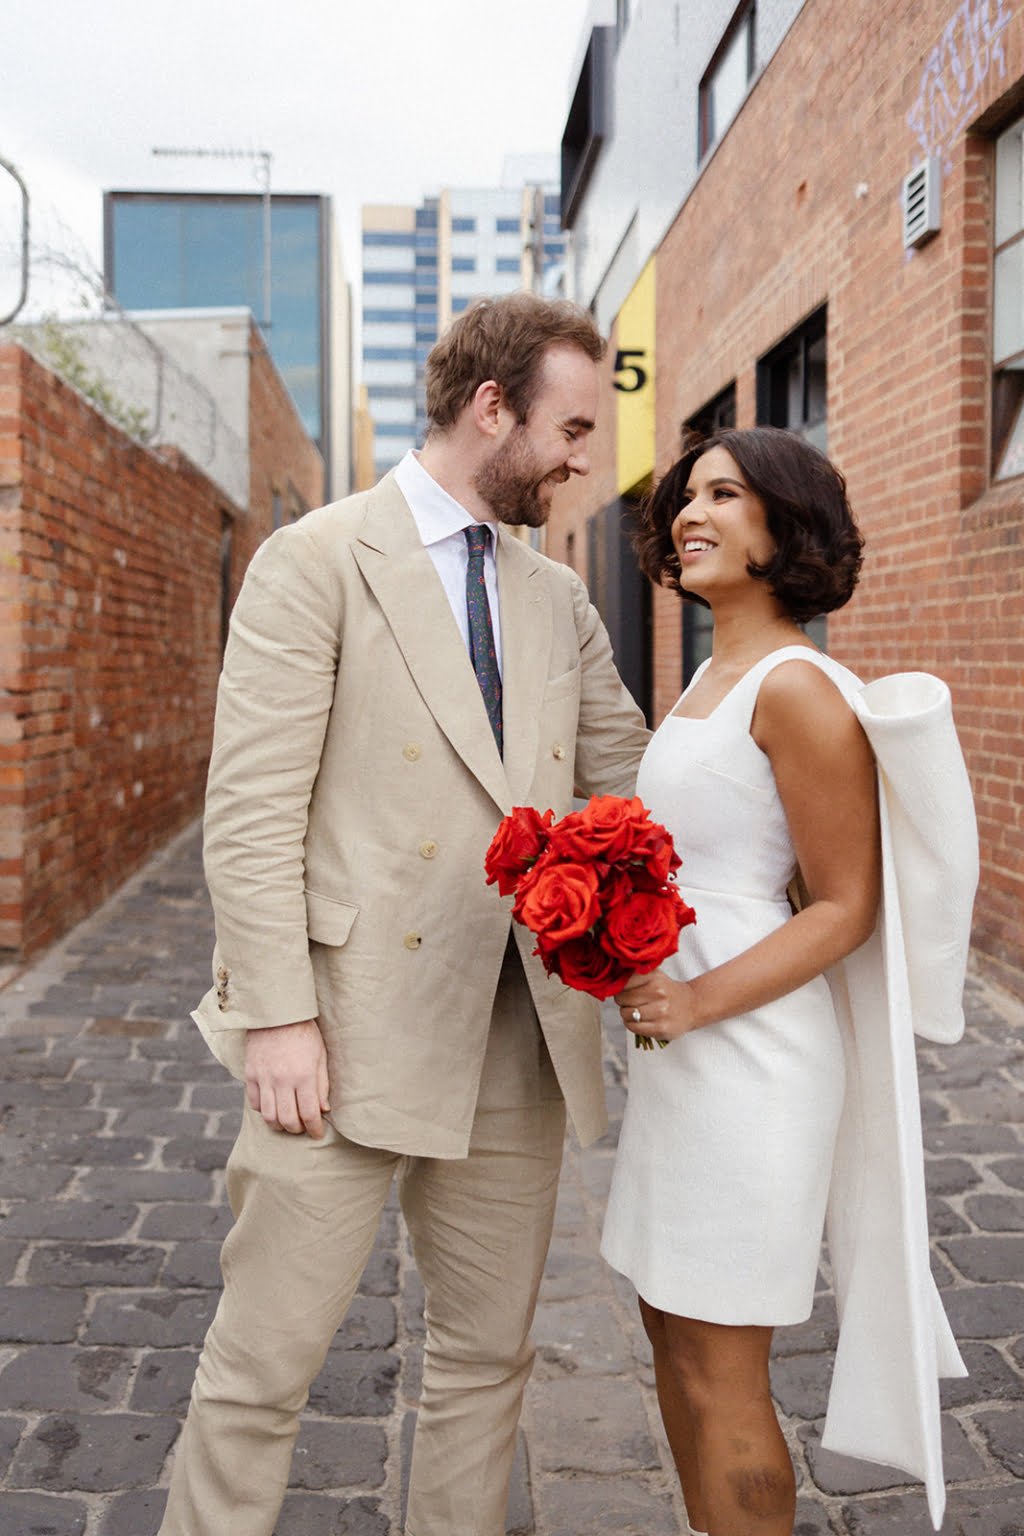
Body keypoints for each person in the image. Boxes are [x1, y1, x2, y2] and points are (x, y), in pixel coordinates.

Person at [157, 293, 650, 1536]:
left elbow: (631, 786)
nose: (586, 458)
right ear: (493, 407)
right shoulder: (315, 558)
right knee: (262, 1371)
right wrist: (277, 1018)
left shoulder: (557, 601)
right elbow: (252, 809)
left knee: (486, 1366)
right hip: (338, 1038)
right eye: (573, 427)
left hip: (512, 1044)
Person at [600, 426, 975, 1536]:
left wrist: (699, 999)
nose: (689, 511)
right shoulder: (709, 674)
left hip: (748, 1060)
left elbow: (845, 903)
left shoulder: (797, 687)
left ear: (786, 525)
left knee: (723, 1362)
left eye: (726, 492)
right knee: (670, 1331)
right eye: (685, 493)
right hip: (683, 1055)